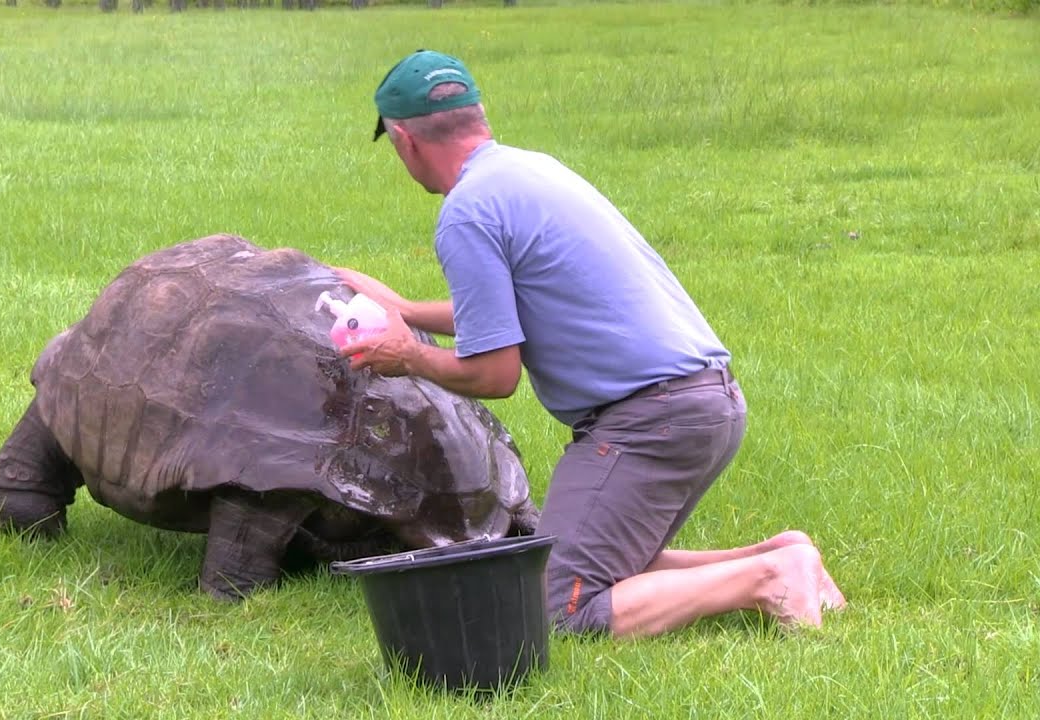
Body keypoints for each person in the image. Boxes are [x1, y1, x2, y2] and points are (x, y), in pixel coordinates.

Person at [333, 49, 846, 639]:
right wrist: (402, 309)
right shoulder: (528, 172)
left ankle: (771, 577)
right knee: (593, 567)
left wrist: (408, 356)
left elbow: (496, 375)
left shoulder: (466, 213)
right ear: (478, 116)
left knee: (557, 607)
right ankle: (783, 554)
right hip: (705, 403)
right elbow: (508, 309)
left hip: (650, 422)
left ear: (404, 139)